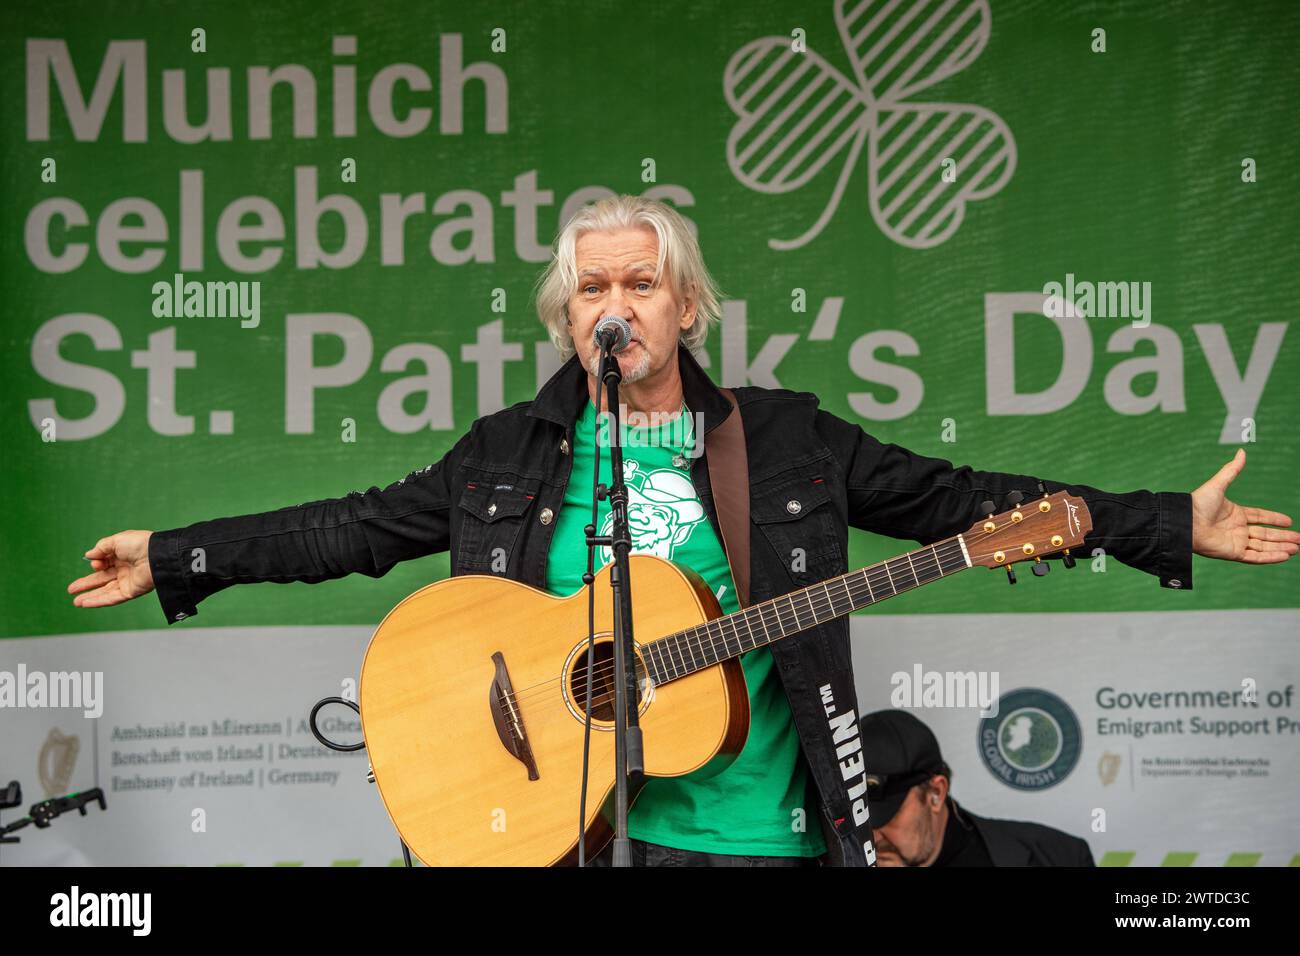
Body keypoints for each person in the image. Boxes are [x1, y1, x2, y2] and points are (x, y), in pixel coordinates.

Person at [66, 195, 1298, 867]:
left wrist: (1154, 524)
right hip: (579, 829)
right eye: (590, 288)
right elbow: (349, 527)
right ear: (566, 321)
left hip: (767, 828)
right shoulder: (509, 453)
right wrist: (177, 551)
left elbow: (952, 498)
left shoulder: (787, 441)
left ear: (687, 304)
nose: (616, 305)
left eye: (639, 283)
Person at [863, 709, 1093, 866]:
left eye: (886, 815)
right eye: (860, 823)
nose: (873, 836)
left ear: (936, 793)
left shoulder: (1058, 856)